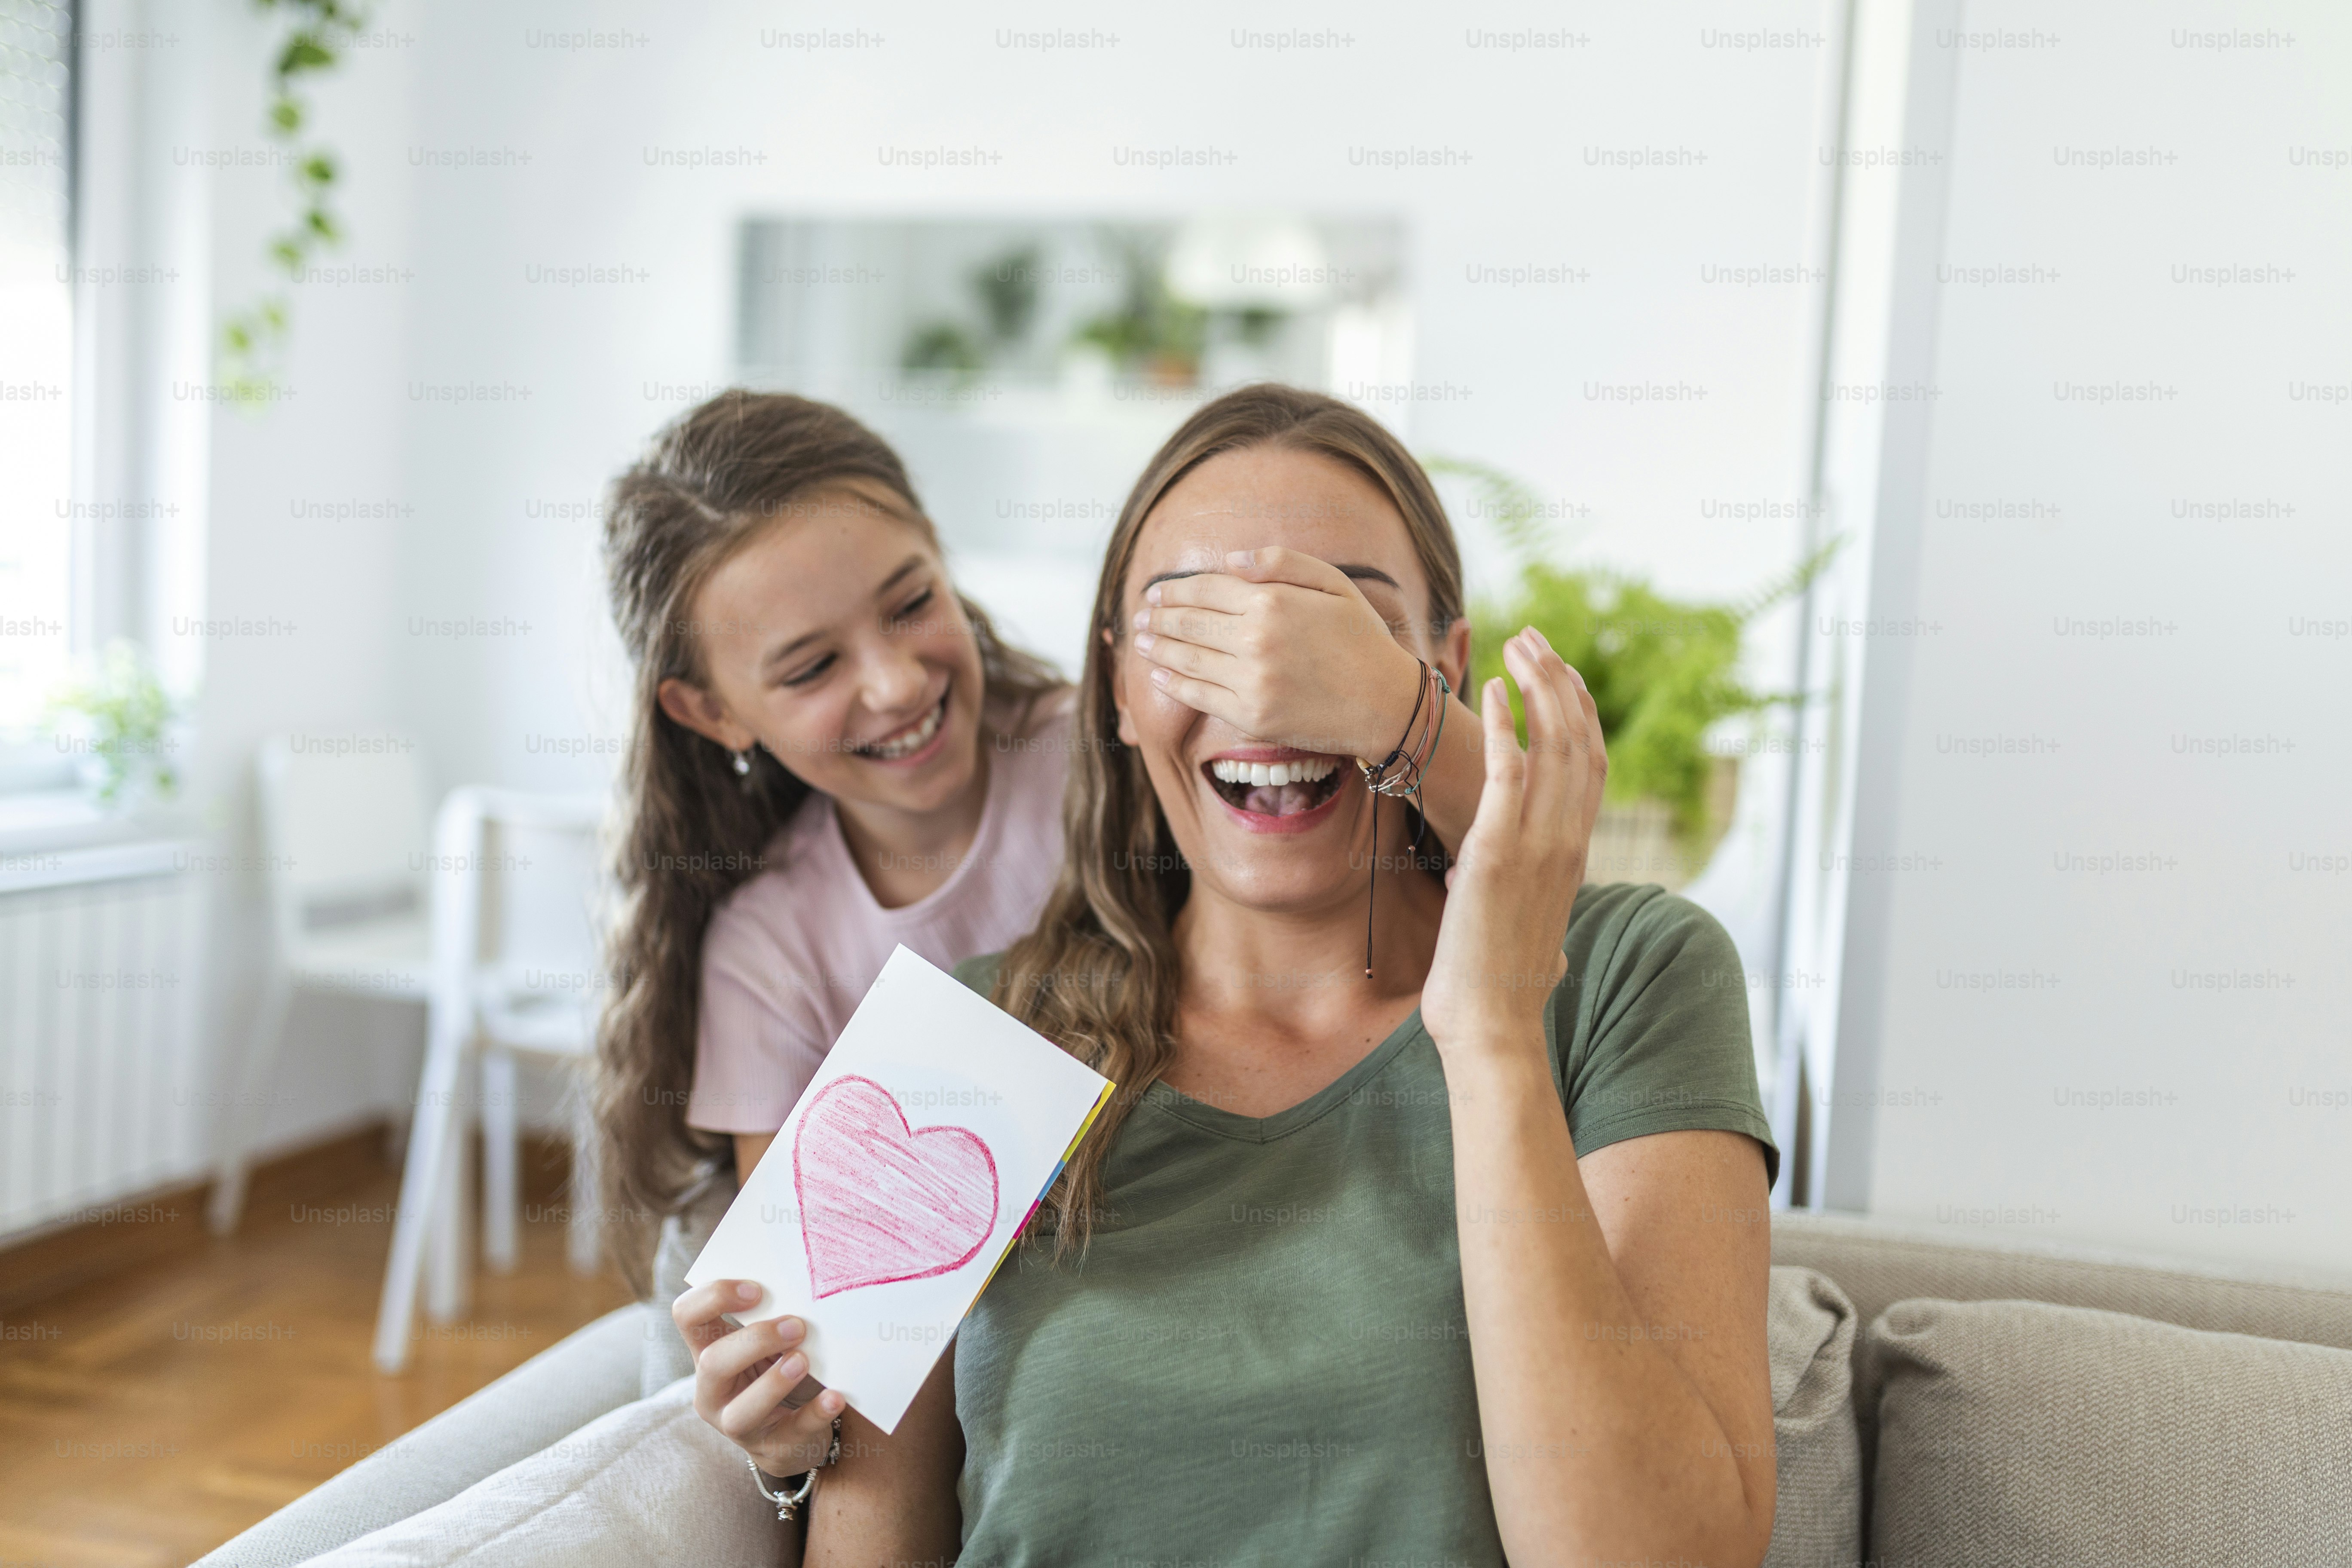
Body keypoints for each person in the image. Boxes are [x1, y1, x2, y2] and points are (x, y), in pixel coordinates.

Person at [675, 384, 1781, 1565]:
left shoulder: (1628, 976)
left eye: (1337, 628)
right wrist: (786, 1431)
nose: (1268, 690)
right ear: (1115, 689)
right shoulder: (959, 1043)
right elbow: (860, 1534)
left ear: (1440, 670)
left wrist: (1494, 1032)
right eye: (1198, 628)